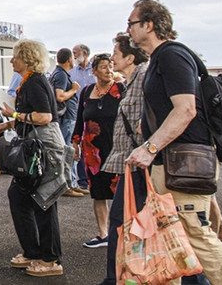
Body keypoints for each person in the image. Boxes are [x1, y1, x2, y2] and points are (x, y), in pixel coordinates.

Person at [124, 0, 222, 284]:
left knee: (197, 236)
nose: (128, 29)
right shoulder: (159, 58)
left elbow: (186, 109)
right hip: (169, 162)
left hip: (184, 162)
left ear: (149, 24)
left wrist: (149, 147)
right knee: (168, 238)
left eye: (131, 23)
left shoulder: (172, 55)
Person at [0, 39, 65, 278]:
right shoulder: (32, 81)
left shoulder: (34, 82)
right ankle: (34, 251)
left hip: (43, 149)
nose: (12, 60)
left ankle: (50, 259)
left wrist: (13, 114)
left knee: (43, 201)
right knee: (21, 196)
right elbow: (37, 116)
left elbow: (45, 117)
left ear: (27, 58)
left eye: (16, 56)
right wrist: (8, 124)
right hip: (38, 146)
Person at [95, 32, 150, 285]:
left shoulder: (144, 79)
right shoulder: (132, 81)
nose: (112, 58)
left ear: (130, 58)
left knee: (122, 221)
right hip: (132, 163)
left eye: (116, 54)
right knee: (124, 222)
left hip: (140, 164)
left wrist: (145, 128)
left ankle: (116, 278)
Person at [71, 53, 123, 249]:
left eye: (110, 66)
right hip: (93, 152)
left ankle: (122, 233)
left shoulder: (121, 89)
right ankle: (103, 234)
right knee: (99, 193)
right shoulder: (86, 92)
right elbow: (79, 120)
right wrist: (75, 143)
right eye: (103, 67)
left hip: (117, 148)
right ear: (94, 71)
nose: (108, 70)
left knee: (120, 191)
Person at [50, 47, 82, 197]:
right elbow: (60, 96)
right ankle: (66, 185)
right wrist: (74, 90)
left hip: (68, 117)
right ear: (69, 60)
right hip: (67, 117)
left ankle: (72, 182)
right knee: (67, 150)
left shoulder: (58, 74)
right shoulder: (61, 75)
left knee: (70, 150)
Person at [71, 43, 95, 192]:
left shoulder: (96, 70)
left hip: (95, 113)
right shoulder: (72, 73)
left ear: (84, 54)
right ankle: (83, 180)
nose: (73, 56)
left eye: (75, 53)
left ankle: (94, 177)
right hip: (77, 112)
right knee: (78, 145)